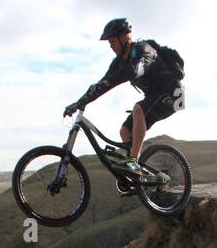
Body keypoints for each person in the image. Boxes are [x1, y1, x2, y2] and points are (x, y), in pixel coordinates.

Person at [64, 18, 184, 185]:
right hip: (154, 96)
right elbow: (103, 84)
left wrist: (108, 82)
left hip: (174, 94)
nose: (110, 45)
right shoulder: (119, 62)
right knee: (125, 131)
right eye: (109, 42)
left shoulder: (144, 49)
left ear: (125, 37)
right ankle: (138, 179)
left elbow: (135, 70)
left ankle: (133, 162)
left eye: (112, 40)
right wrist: (79, 103)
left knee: (138, 109)